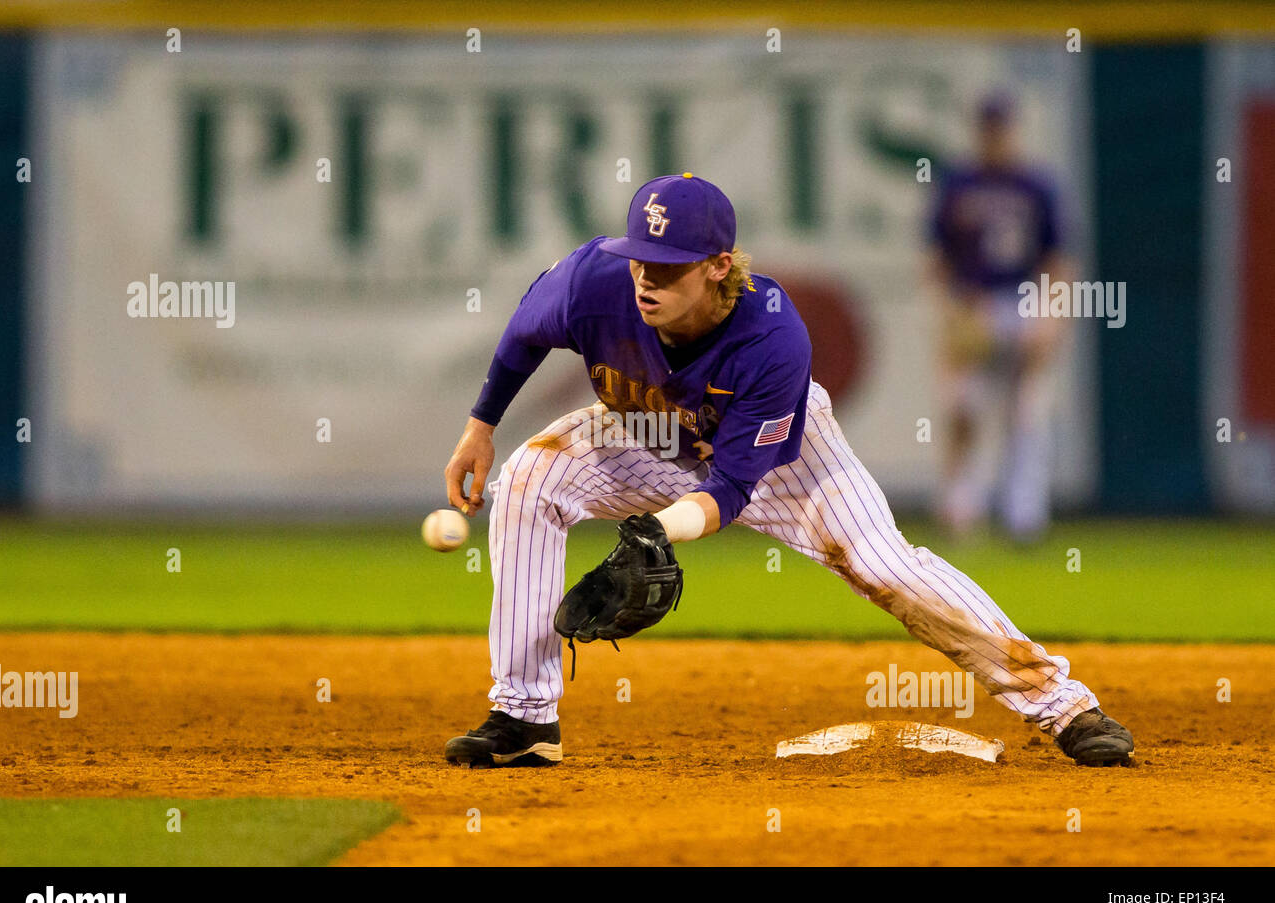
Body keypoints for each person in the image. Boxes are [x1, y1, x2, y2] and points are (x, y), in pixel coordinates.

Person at [442, 172, 1132, 768]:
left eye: (668, 266)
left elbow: (733, 489)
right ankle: (525, 718)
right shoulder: (594, 282)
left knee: (886, 569)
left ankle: (1064, 706)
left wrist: (658, 529)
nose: (646, 279)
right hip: (646, 431)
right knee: (531, 480)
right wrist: (481, 427)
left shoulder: (771, 336)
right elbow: (523, 337)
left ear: (718, 265)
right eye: (638, 260)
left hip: (784, 461)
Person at [929, 94, 1068, 542]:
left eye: (1001, 127)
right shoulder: (959, 183)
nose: (995, 136)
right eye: (988, 128)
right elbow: (936, 257)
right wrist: (948, 312)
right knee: (963, 408)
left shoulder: (1037, 185)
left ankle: (1023, 517)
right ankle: (960, 508)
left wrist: (1051, 316)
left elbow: (1058, 259)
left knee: (1028, 412)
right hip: (974, 301)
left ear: (1013, 130)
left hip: (1022, 300)